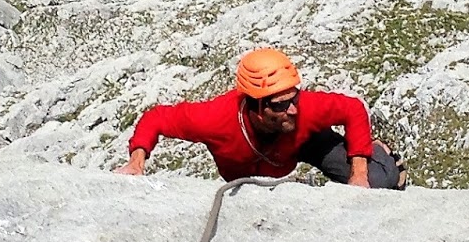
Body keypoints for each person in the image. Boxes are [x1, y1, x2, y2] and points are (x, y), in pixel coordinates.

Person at [116, 48, 408, 189]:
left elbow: (353, 108)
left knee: (381, 181)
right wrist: (136, 161)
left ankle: (377, 151)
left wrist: (358, 172)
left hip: (304, 142)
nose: (292, 109)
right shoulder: (215, 119)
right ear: (255, 108)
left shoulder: (303, 110)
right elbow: (157, 118)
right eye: (281, 106)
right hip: (277, 153)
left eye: (294, 99)